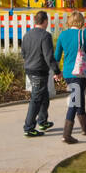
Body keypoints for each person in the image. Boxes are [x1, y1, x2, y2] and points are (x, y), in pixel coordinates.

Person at [54, 10, 86, 144]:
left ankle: (85, 127)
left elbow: (56, 56)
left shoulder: (63, 35)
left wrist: (57, 71)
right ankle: (66, 134)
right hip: (80, 72)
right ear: (81, 22)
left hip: (68, 72)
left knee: (78, 96)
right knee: (74, 101)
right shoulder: (84, 34)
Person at [21, 10, 63, 138]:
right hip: (39, 70)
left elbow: (23, 53)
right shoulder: (45, 36)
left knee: (44, 96)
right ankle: (28, 127)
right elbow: (49, 56)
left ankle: (42, 121)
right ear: (45, 21)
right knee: (36, 98)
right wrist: (57, 71)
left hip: (29, 69)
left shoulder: (27, 35)